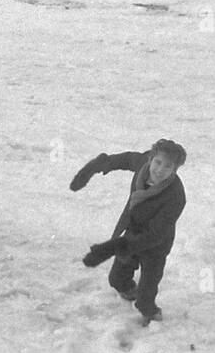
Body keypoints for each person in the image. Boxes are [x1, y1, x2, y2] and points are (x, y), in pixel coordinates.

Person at [72, 138, 188, 324]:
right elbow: (125, 159)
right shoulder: (143, 164)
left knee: (146, 294)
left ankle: (150, 311)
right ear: (151, 159)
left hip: (155, 246)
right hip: (132, 233)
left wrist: (114, 247)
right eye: (158, 162)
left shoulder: (176, 196)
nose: (160, 170)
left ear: (175, 169)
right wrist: (96, 166)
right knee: (116, 279)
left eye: (168, 167)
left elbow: (155, 234)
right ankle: (128, 290)